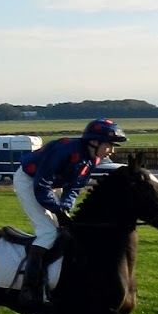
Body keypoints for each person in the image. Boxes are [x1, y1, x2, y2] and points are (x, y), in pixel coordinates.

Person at [11, 118, 127, 304]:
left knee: (63, 230)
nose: (112, 151)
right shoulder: (64, 149)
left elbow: (74, 188)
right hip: (28, 181)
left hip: (48, 185)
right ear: (94, 141)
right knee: (47, 231)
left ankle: (58, 278)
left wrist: (64, 209)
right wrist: (56, 210)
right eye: (110, 145)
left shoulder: (92, 159)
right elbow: (41, 186)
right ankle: (29, 288)